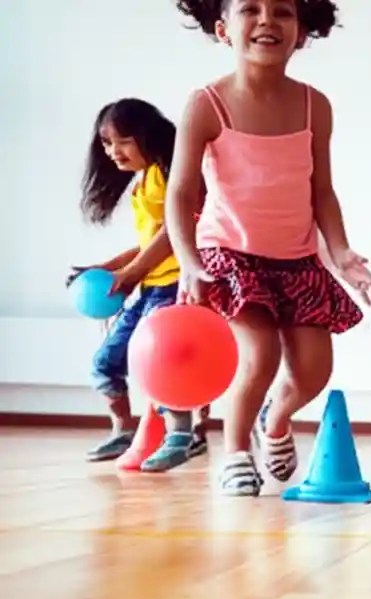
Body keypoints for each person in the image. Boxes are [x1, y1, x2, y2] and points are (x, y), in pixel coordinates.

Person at [167, 0, 371, 496]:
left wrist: (342, 252)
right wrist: (189, 261)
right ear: (224, 29)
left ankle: (277, 421)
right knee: (259, 354)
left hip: (297, 257)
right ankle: (237, 451)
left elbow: (321, 190)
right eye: (251, 9)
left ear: (301, 32)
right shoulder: (206, 103)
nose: (267, 20)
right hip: (231, 253)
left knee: (313, 371)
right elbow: (180, 193)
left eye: (283, 11)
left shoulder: (314, 106)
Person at [72, 98, 208, 471]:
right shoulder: (144, 180)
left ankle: (182, 435)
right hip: (149, 288)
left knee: (165, 366)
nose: (113, 151)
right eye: (106, 144)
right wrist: (108, 267)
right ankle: (123, 429)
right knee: (105, 365)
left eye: (123, 141)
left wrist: (129, 273)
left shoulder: (170, 175)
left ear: (147, 136)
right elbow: (147, 241)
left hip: (176, 286)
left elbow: (175, 232)